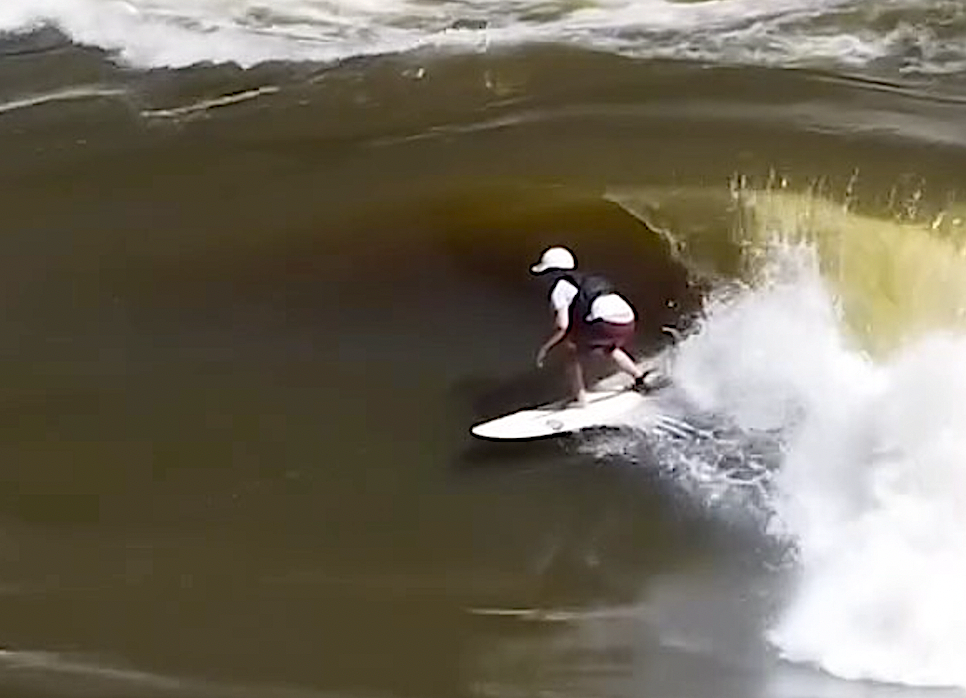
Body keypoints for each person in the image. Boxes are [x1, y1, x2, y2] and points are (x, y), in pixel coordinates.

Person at [530, 246, 651, 406]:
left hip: (605, 324)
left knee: (571, 354)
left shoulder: (560, 288)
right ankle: (639, 377)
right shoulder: (586, 279)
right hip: (628, 320)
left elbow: (562, 325)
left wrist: (545, 348)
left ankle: (580, 400)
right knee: (609, 348)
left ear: (552, 272)